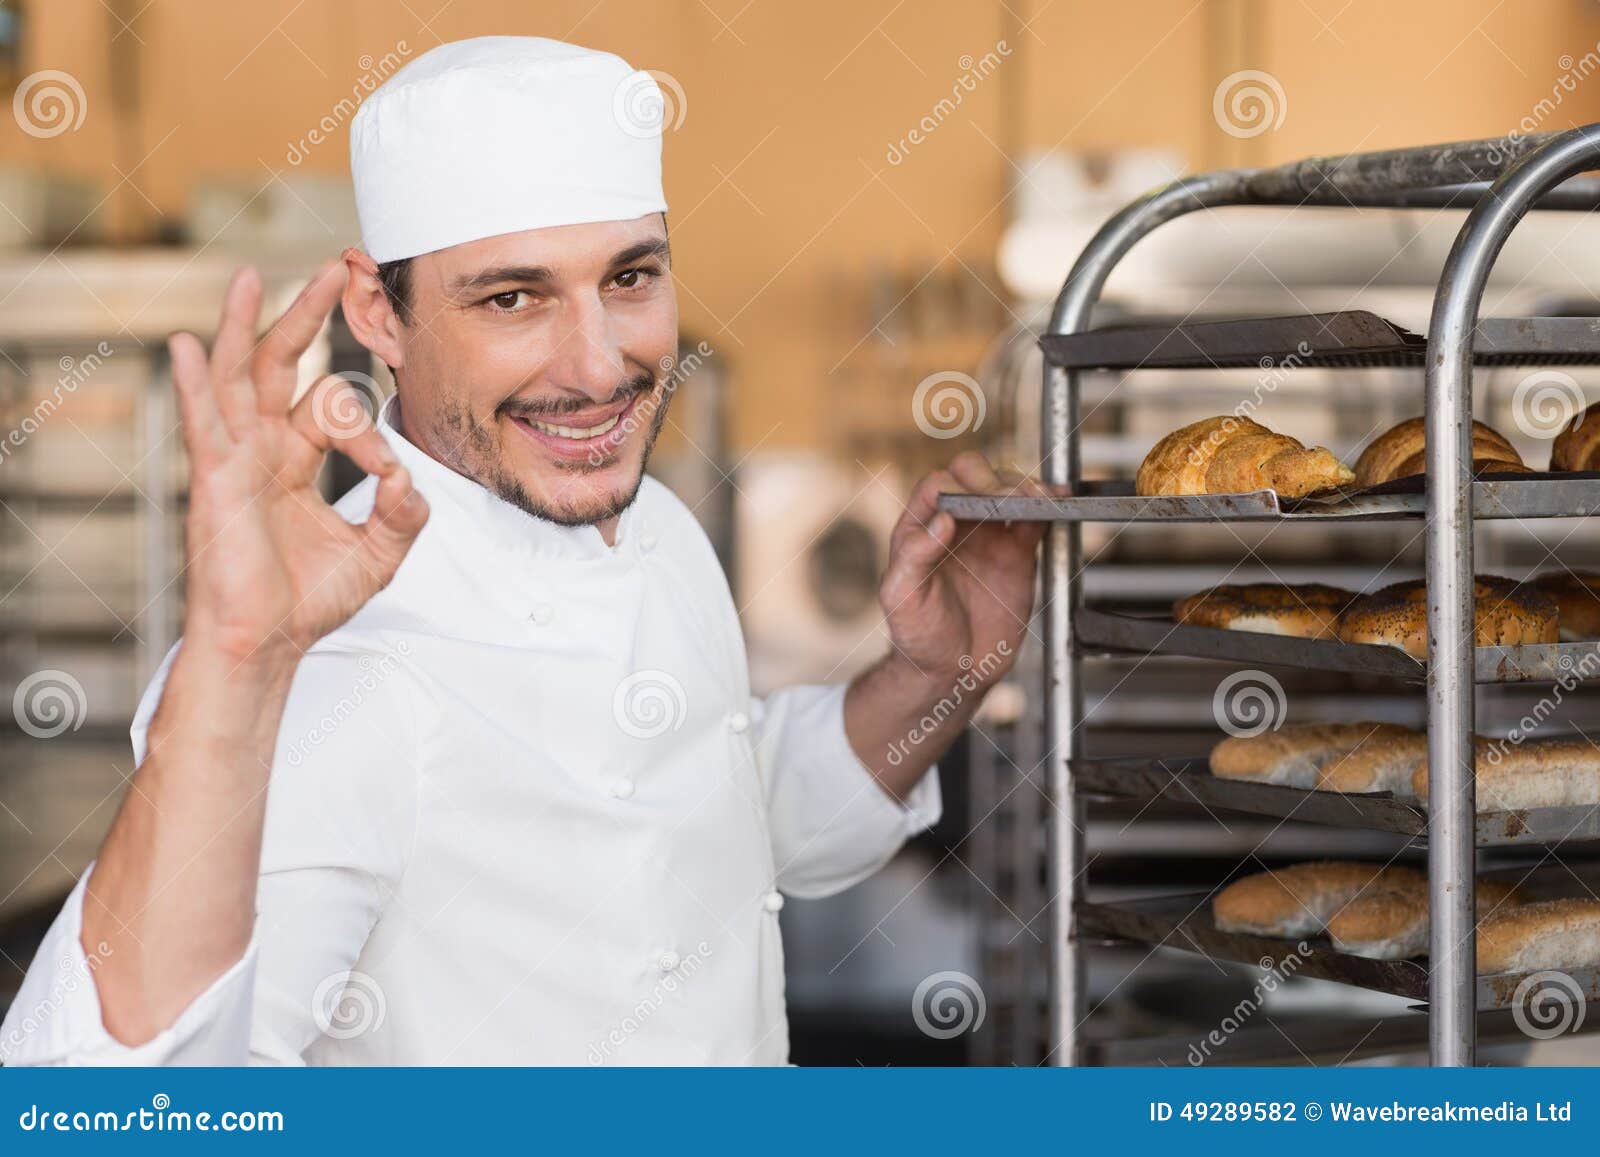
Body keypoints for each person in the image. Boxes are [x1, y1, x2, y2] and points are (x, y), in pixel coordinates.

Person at [1, 35, 1047, 1065]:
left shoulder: (655, 531)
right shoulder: (335, 666)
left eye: (630, 278)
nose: (599, 365)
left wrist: (939, 671)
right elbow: (115, 1102)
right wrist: (235, 661)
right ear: (380, 313)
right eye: (512, 298)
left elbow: (720, 829)